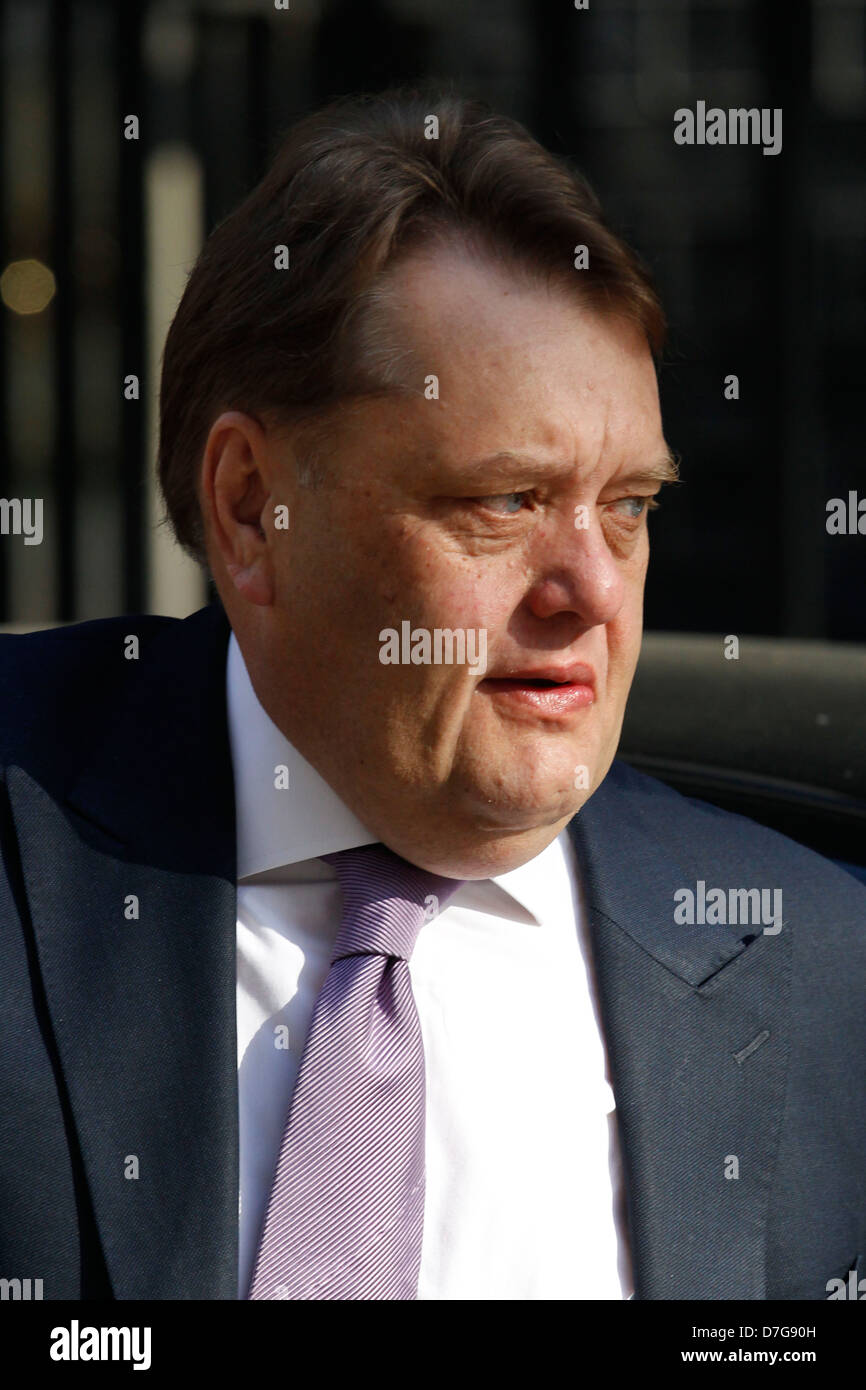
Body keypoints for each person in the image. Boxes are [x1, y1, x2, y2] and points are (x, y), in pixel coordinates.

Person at [1, 90, 863, 1303]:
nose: (590, 588)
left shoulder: (821, 970)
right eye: (502, 500)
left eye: (627, 505)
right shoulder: (24, 824)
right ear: (254, 508)